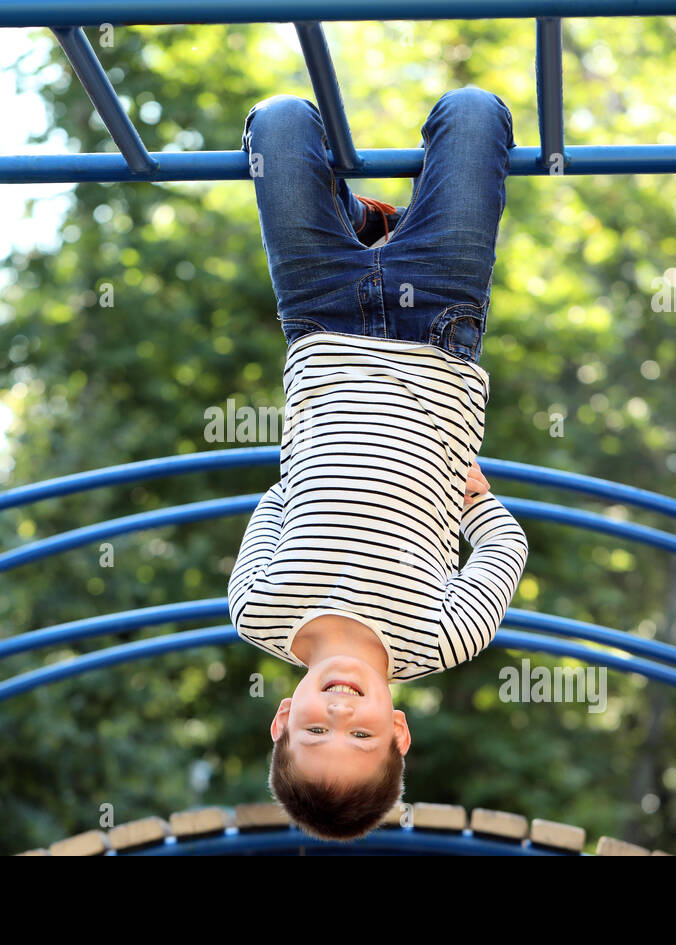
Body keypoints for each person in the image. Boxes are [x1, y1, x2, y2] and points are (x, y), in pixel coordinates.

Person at [227, 87, 530, 842]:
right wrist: (473, 498)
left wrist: (310, 470)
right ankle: (374, 231)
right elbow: (505, 550)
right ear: (398, 728)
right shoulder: (437, 638)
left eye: (314, 732)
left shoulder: (257, 612)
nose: (338, 714)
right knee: (473, 114)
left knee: (281, 122)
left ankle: (363, 229)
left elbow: (271, 508)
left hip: (322, 320)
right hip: (439, 328)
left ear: (281, 719)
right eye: (361, 737)